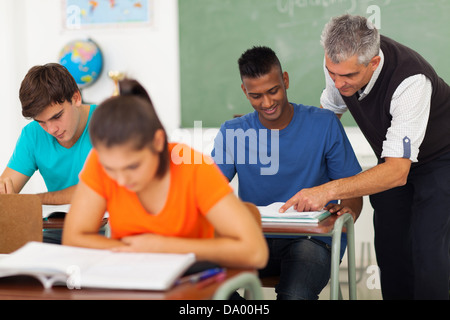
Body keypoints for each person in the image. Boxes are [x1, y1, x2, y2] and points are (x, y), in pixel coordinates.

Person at [283, 14, 450, 300]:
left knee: (430, 255)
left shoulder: (411, 81)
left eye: (348, 77)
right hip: (392, 159)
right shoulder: (340, 64)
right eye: (332, 73)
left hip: (441, 158)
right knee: (390, 251)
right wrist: (303, 174)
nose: (338, 83)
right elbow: (328, 122)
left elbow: (398, 172)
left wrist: (329, 189)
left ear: (373, 63)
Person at [62, 79, 268, 271]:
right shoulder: (99, 161)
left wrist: (164, 246)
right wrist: (135, 249)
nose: (121, 180)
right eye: (110, 169)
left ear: (158, 141)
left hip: (192, 281)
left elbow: (256, 252)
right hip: (133, 278)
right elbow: (74, 237)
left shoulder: (192, 166)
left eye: (132, 167)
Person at [211, 46, 362, 300]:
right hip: (253, 240)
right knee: (196, 282)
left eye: (273, 91)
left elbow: (353, 191)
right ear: (244, 92)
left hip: (311, 242)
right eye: (256, 95)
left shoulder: (324, 124)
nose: (267, 103)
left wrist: (348, 210)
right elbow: (207, 189)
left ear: (286, 80)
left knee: (296, 294)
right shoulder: (233, 132)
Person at [0, 63, 96, 243]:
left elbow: (94, 191)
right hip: (58, 232)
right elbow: (6, 188)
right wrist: (5, 195)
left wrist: (34, 200)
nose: (51, 129)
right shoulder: (32, 134)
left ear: (76, 98)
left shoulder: (108, 124)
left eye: (57, 116)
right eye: (41, 122)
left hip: (107, 229)